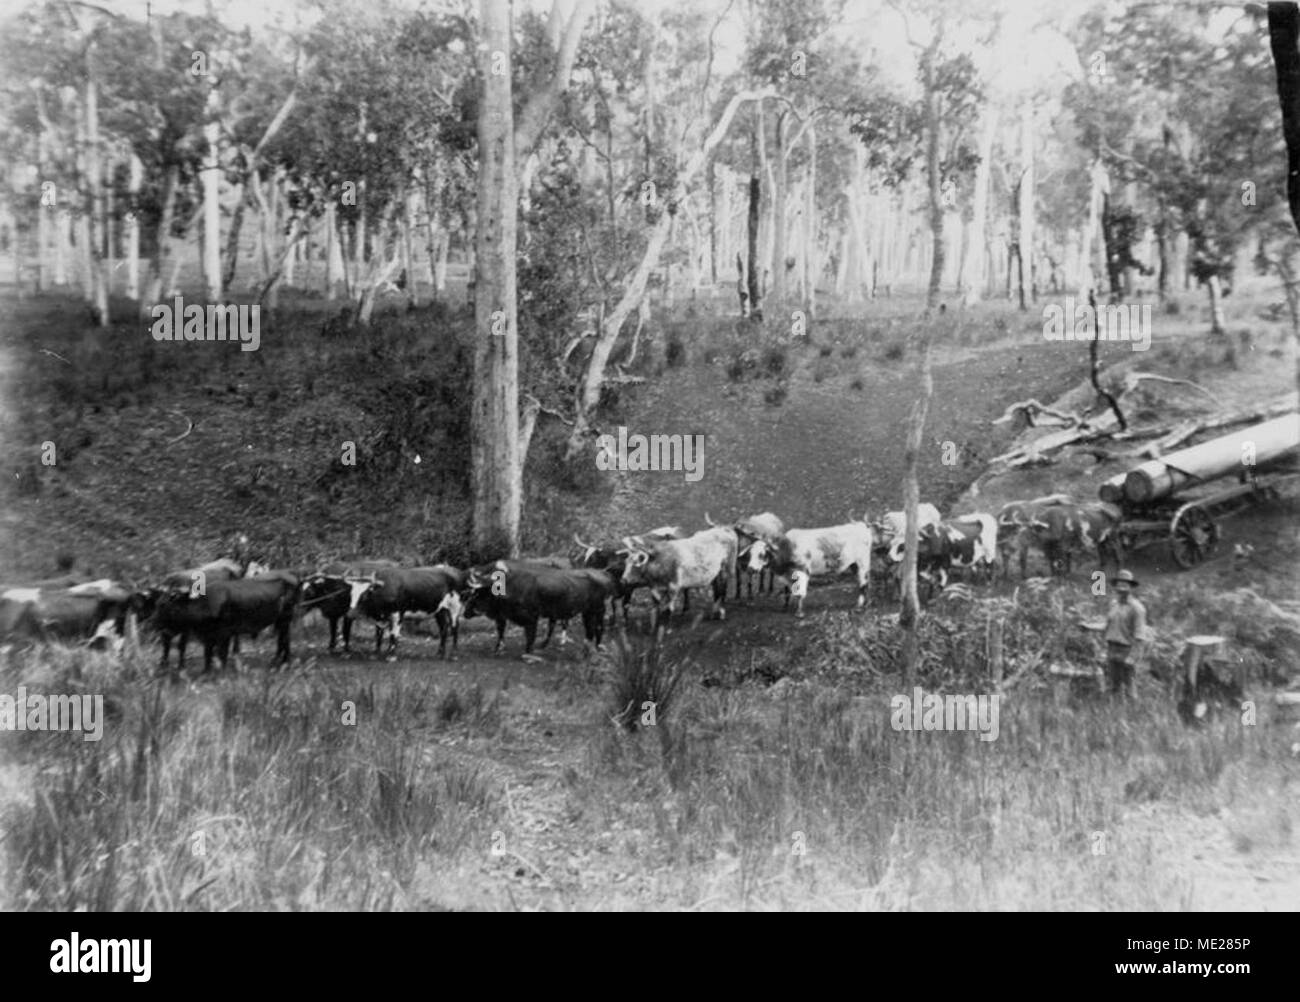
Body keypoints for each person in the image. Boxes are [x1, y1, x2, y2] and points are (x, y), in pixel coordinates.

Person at [1103, 569, 1149, 699]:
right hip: (1112, 648)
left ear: (1131, 588)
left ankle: (1132, 715)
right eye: (1119, 584)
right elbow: (1108, 625)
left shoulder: (1137, 608)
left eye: (1125, 585)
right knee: (1113, 685)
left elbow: (1140, 636)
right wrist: (1089, 627)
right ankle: (1114, 714)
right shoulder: (1113, 604)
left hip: (1126, 650)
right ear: (1116, 587)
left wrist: (1133, 657)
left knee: (1130, 687)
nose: (1121, 588)